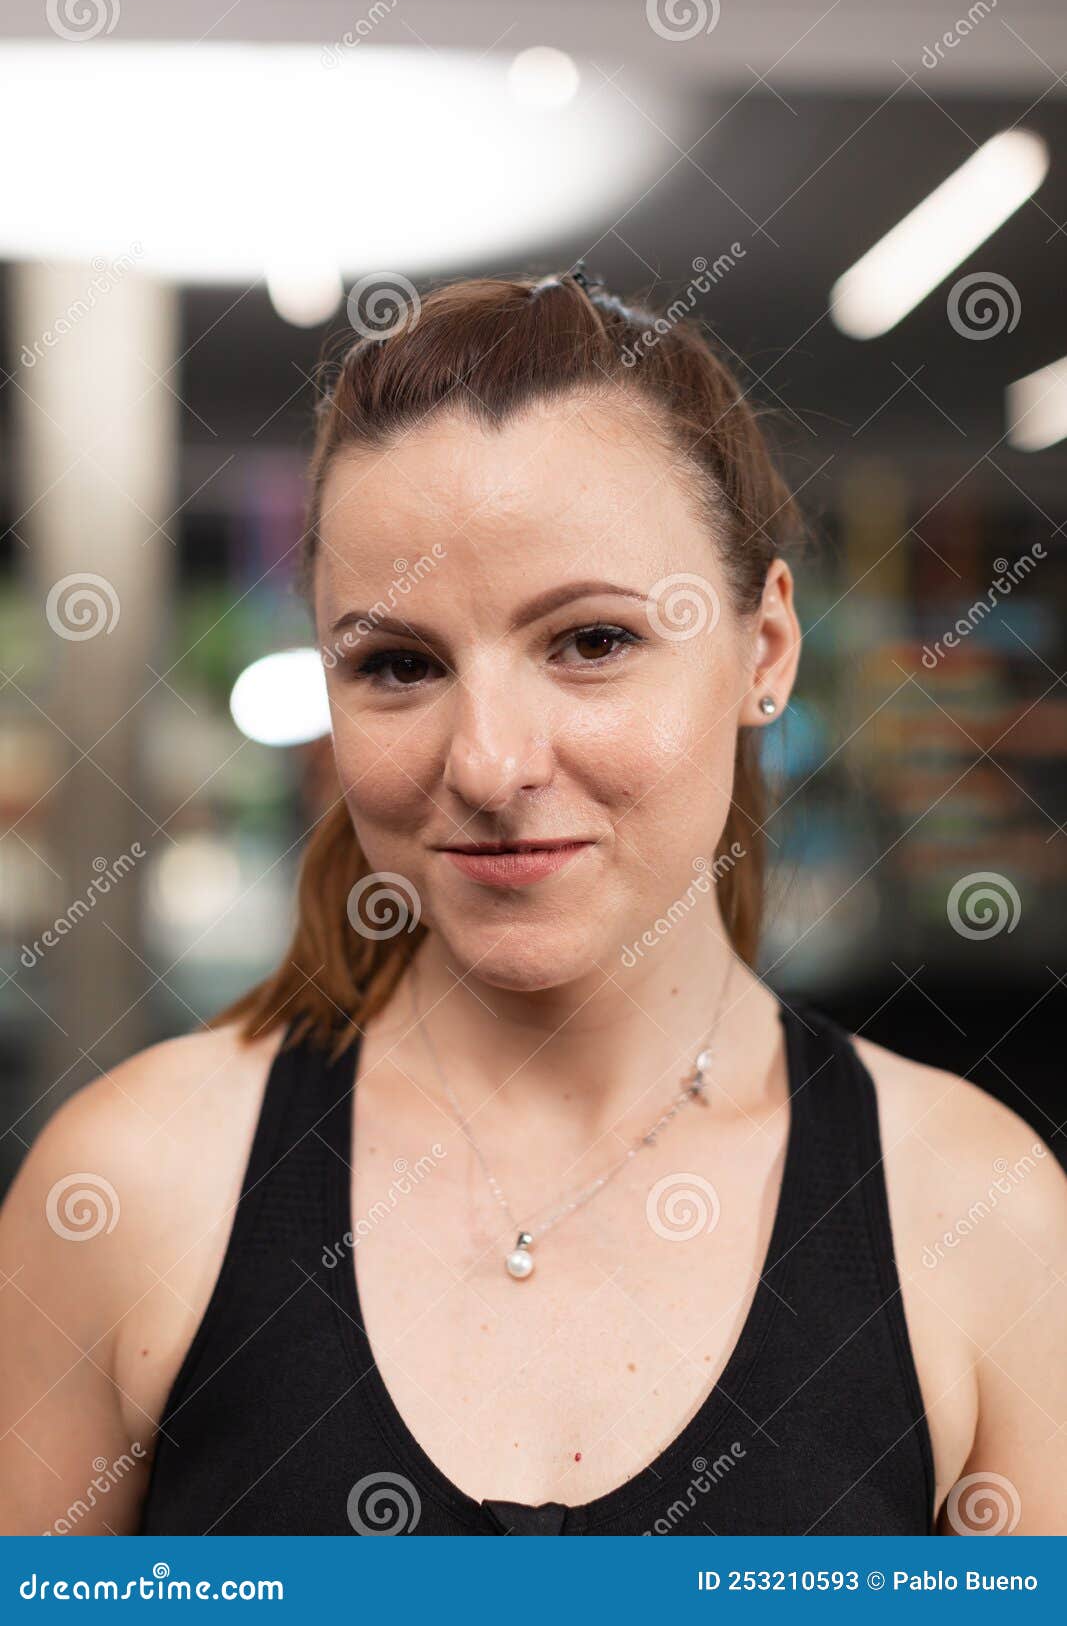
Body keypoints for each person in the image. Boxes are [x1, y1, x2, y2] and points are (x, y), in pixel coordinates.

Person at [1, 272, 1064, 1537]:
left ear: (763, 652)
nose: (489, 765)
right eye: (398, 664)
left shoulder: (975, 1212)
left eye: (591, 642)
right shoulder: (129, 1186)